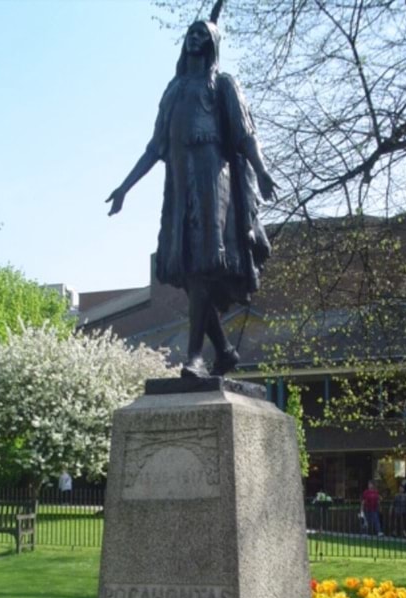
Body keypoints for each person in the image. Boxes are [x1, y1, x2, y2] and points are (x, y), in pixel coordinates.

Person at [106, 1, 276, 379]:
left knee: (201, 268)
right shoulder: (174, 90)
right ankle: (226, 352)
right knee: (186, 271)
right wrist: (124, 187)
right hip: (181, 191)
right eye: (191, 33)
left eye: (203, 33)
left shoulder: (223, 85)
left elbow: (245, 135)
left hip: (214, 184)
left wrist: (262, 172)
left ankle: (195, 356)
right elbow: (155, 147)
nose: (195, 37)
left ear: (213, 43)